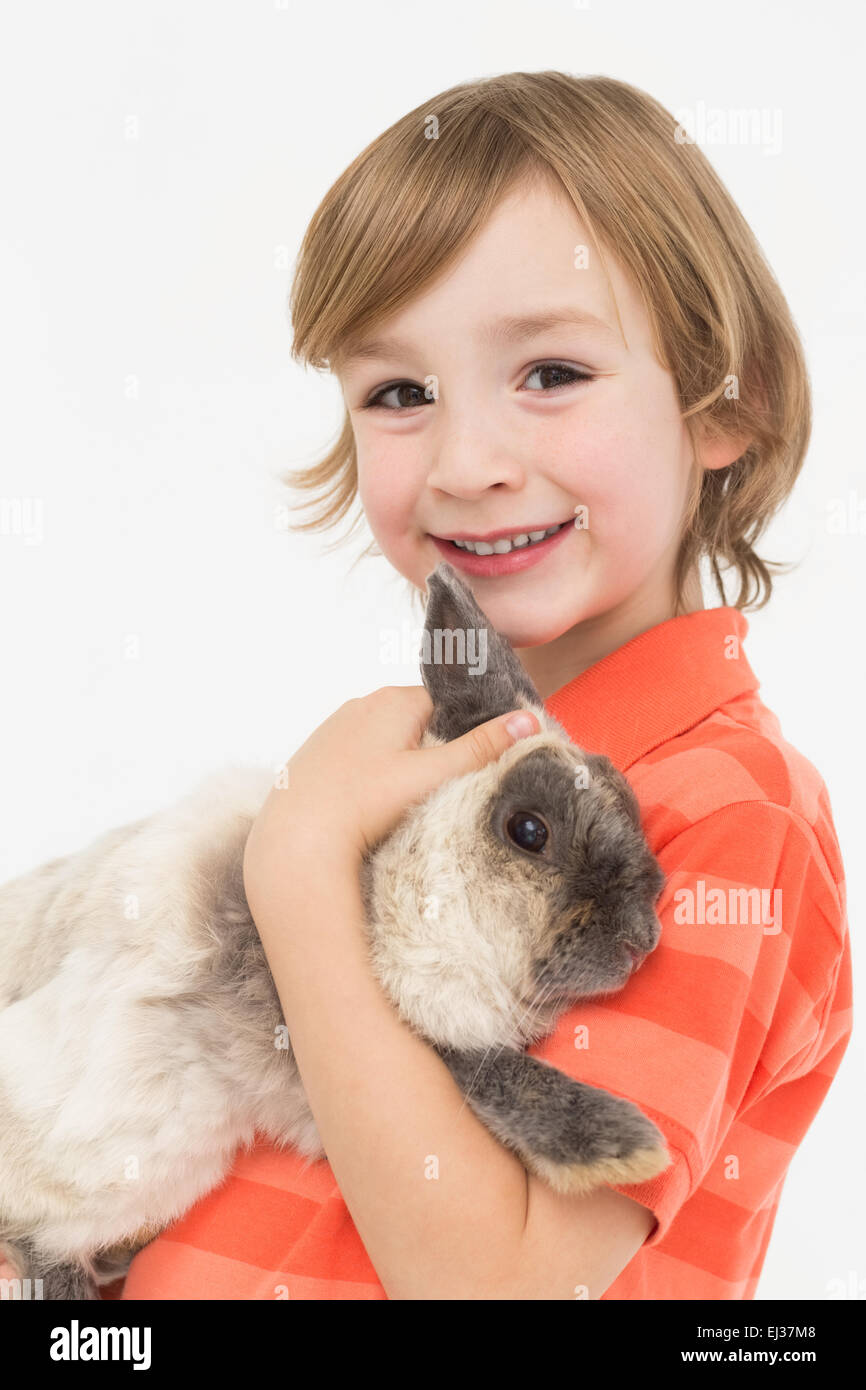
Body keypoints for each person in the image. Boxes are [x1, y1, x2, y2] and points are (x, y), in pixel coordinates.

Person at [101, 71, 848, 1299]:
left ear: (727, 401)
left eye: (550, 371)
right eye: (398, 394)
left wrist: (296, 876)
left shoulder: (724, 815)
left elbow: (499, 1285)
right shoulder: (418, 771)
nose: (466, 462)